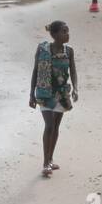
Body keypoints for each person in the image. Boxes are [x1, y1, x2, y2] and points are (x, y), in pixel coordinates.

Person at [28, 20, 78, 177]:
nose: (67, 34)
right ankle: (45, 163)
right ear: (55, 34)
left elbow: (73, 71)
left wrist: (75, 88)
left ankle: (50, 159)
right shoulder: (42, 49)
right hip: (44, 93)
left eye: (67, 31)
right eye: (64, 31)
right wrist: (31, 94)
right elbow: (36, 70)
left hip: (61, 94)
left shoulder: (69, 51)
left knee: (55, 127)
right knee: (49, 125)